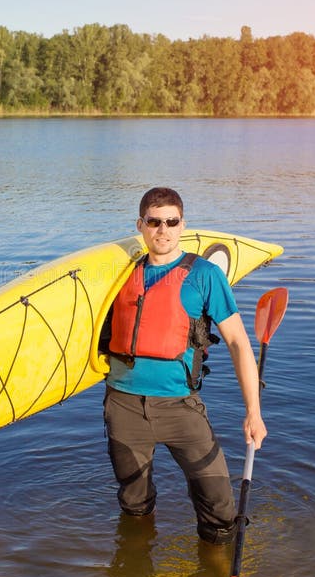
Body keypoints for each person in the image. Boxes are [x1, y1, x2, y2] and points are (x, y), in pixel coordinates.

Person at [103, 187, 267, 545]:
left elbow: (239, 342)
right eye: (154, 222)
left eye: (171, 222)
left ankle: (214, 566)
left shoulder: (205, 275)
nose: (163, 230)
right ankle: (137, 566)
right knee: (134, 504)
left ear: (182, 226)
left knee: (220, 507)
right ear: (141, 225)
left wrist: (253, 412)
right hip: (124, 405)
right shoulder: (117, 275)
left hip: (180, 406)